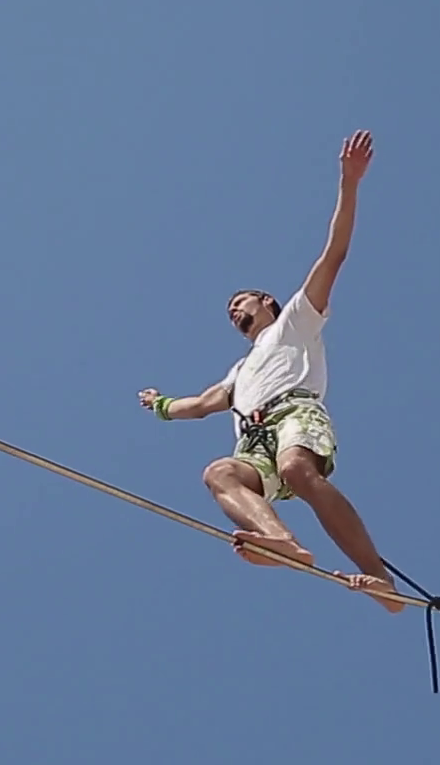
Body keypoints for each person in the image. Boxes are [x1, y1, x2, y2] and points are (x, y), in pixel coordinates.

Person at [139, 130, 403, 614]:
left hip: (295, 415)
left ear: (266, 301)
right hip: (254, 438)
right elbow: (198, 406)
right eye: (229, 311)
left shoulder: (296, 321)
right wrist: (159, 405)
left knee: (297, 470)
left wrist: (350, 183)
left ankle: (382, 582)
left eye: (240, 302)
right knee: (219, 472)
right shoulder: (239, 370)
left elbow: (334, 253)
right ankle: (283, 543)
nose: (235, 311)